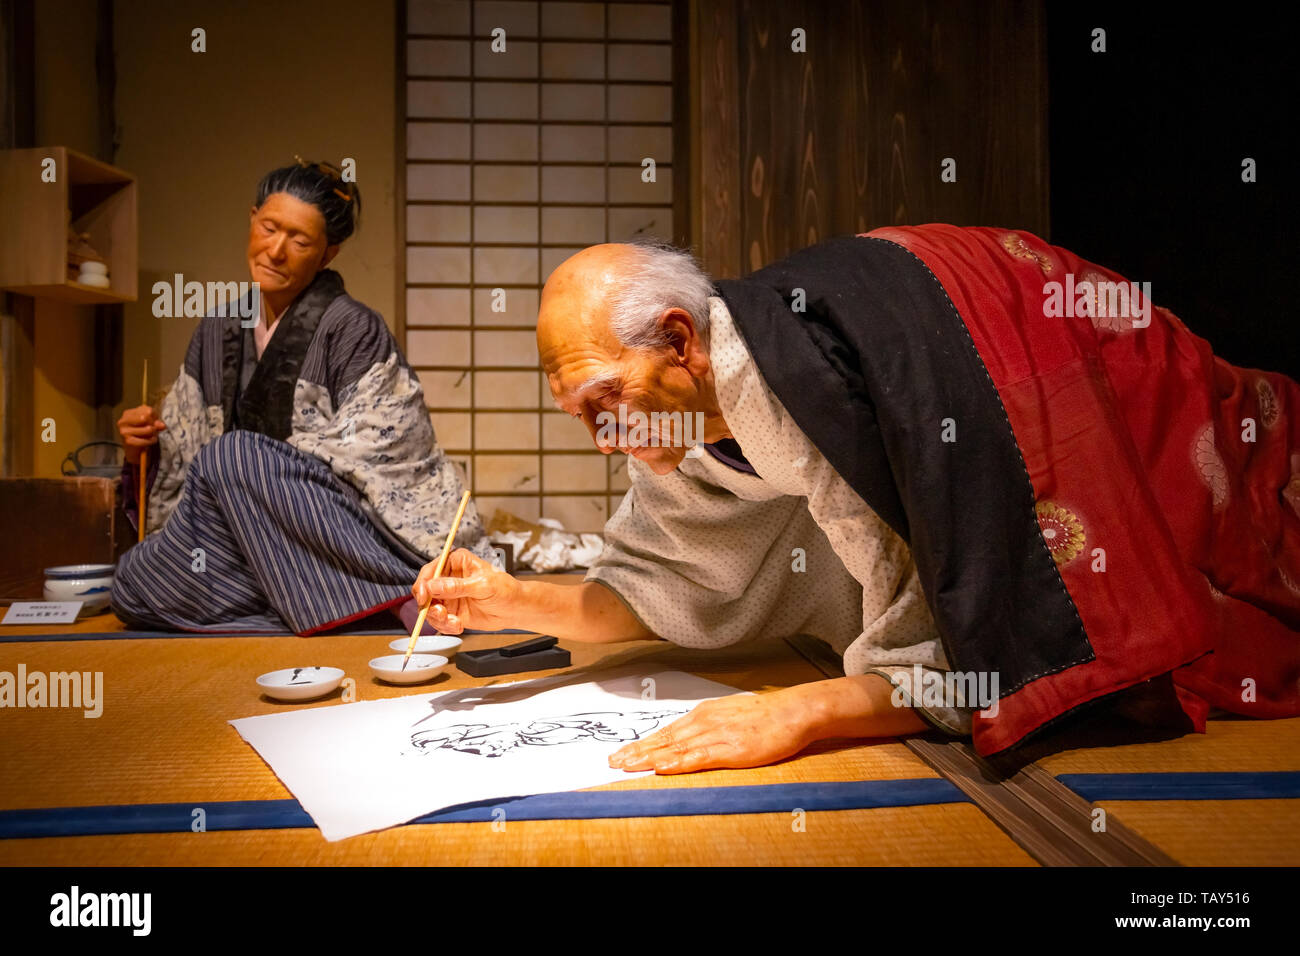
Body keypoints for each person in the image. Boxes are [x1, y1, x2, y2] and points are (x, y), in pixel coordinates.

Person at [412, 228, 1300, 772]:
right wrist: (509, 599)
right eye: (580, 415)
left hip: (1057, 354)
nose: (603, 436)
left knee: (1216, 505)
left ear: (681, 342)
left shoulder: (813, 386)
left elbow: (960, 655)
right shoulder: (675, 426)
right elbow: (662, 588)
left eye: (608, 400)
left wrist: (796, 712)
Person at [113, 158, 495, 635]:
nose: (275, 250)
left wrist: (259, 467)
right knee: (130, 583)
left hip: (334, 531)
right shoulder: (214, 332)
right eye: (269, 227)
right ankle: (352, 599)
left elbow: (390, 449)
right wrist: (139, 450)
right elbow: (182, 465)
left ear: (328, 253)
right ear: (252, 219)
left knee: (231, 456)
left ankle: (371, 588)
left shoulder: (354, 328)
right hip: (237, 534)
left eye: (299, 240)